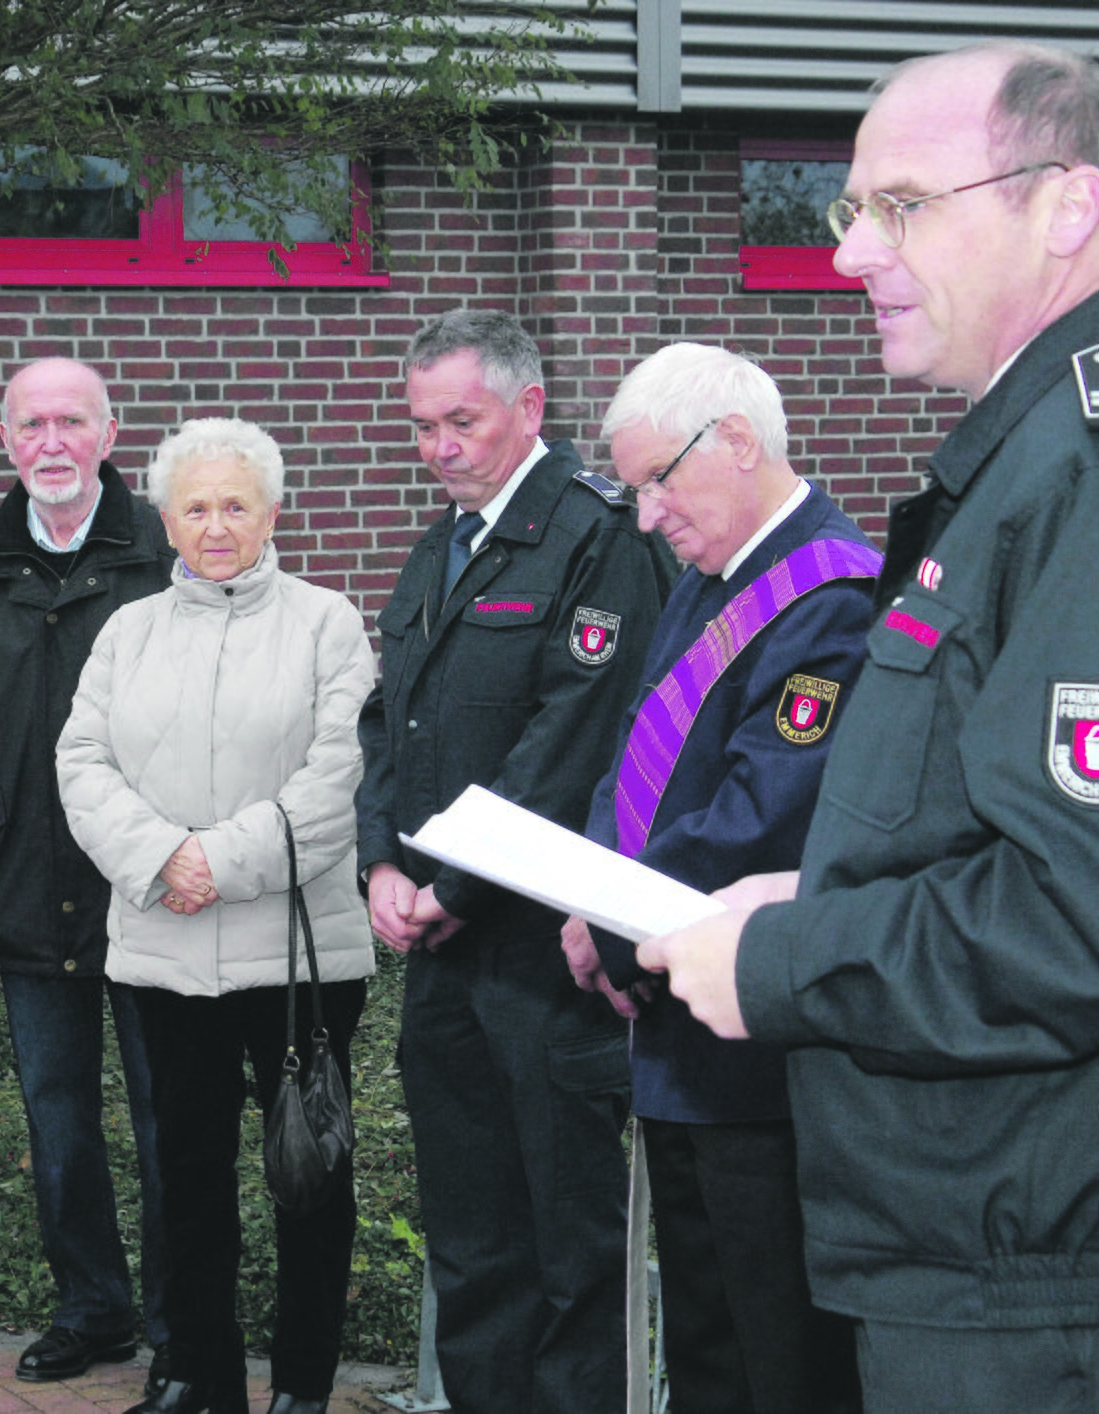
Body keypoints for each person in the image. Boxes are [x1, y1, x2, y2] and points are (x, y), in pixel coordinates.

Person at [636, 42, 1099, 1413]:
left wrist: (787, 955)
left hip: (1027, 1282)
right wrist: (821, 886)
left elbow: (1069, 919)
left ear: (1066, 207)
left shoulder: (1075, 477)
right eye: (849, 210)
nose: (850, 254)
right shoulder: (1019, 467)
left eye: (900, 204)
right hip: (974, 1247)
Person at [354, 309, 673, 1414]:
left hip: (545, 955)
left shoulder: (596, 537)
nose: (436, 445)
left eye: (459, 421)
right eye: (420, 425)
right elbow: (384, 723)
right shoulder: (441, 544)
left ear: (527, 407)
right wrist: (378, 867)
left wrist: (453, 884)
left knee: (566, 1244)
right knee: (470, 1234)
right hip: (442, 954)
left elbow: (571, 740)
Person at [563, 344, 873, 1414]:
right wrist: (594, 889)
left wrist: (610, 923)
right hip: (678, 1023)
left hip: (758, 1051)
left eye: (657, 482)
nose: (644, 516)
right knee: (702, 1340)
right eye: (630, 488)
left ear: (735, 442)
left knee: (771, 1349)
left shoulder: (831, 594)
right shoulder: (709, 583)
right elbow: (635, 753)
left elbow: (759, 813)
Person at [56, 417, 374, 1414]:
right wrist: (159, 859)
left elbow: (337, 778)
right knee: (183, 1168)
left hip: (299, 954)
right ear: (164, 518)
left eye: (236, 503)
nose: (216, 524)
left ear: (272, 512)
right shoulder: (126, 630)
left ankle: (304, 1383)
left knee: (306, 1172)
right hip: (163, 948)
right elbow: (81, 763)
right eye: (194, 506)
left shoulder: (327, 624)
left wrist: (214, 861)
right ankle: (196, 1369)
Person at [0, 358, 175, 1389]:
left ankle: (176, 1320)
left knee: (168, 1120)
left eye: (71, 422)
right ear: (4, 442)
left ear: (110, 434)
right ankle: (92, 1308)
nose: (50, 443)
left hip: (152, 891)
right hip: (16, 884)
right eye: (29, 425)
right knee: (56, 1120)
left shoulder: (164, 553)